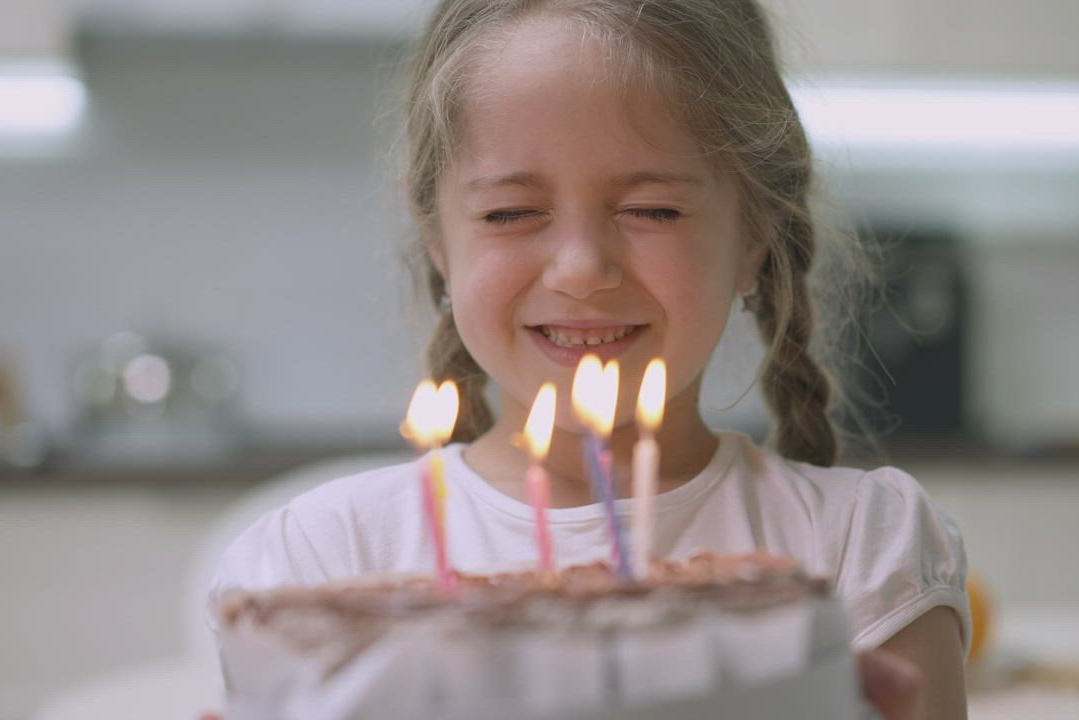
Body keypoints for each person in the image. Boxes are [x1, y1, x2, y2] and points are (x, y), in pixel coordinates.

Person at [210, 1, 969, 718]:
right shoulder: (312, 564)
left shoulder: (859, 550)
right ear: (439, 241)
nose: (580, 268)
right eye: (510, 213)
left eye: (651, 210)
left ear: (754, 237)